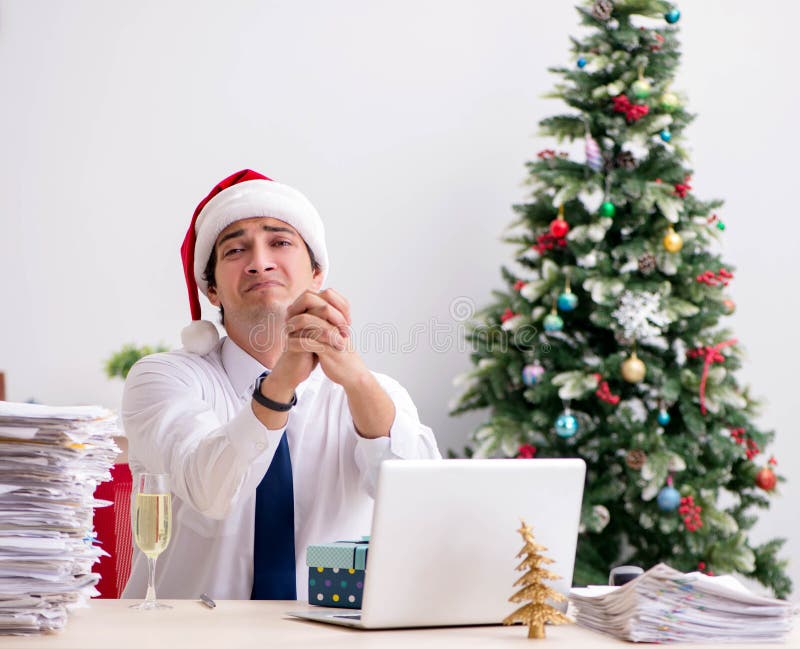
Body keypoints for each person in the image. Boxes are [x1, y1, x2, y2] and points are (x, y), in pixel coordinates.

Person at [121, 169, 440, 601]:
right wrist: (283, 378)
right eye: (235, 249)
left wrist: (358, 381)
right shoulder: (165, 378)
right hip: (189, 637)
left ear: (316, 274)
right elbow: (209, 491)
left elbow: (424, 510)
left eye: (280, 242)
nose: (259, 261)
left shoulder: (372, 392)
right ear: (211, 290)